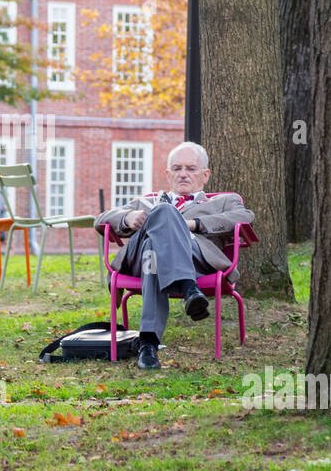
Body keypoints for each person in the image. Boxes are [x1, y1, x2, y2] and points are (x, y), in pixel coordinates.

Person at [95, 141, 254, 370]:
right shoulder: (145, 202)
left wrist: (193, 224)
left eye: (191, 168)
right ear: (168, 174)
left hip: (195, 258)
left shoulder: (222, 202)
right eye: (177, 169)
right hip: (138, 261)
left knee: (153, 248)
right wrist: (126, 218)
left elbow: (245, 216)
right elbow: (99, 219)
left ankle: (148, 344)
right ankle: (189, 288)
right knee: (163, 211)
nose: (183, 174)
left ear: (205, 175)